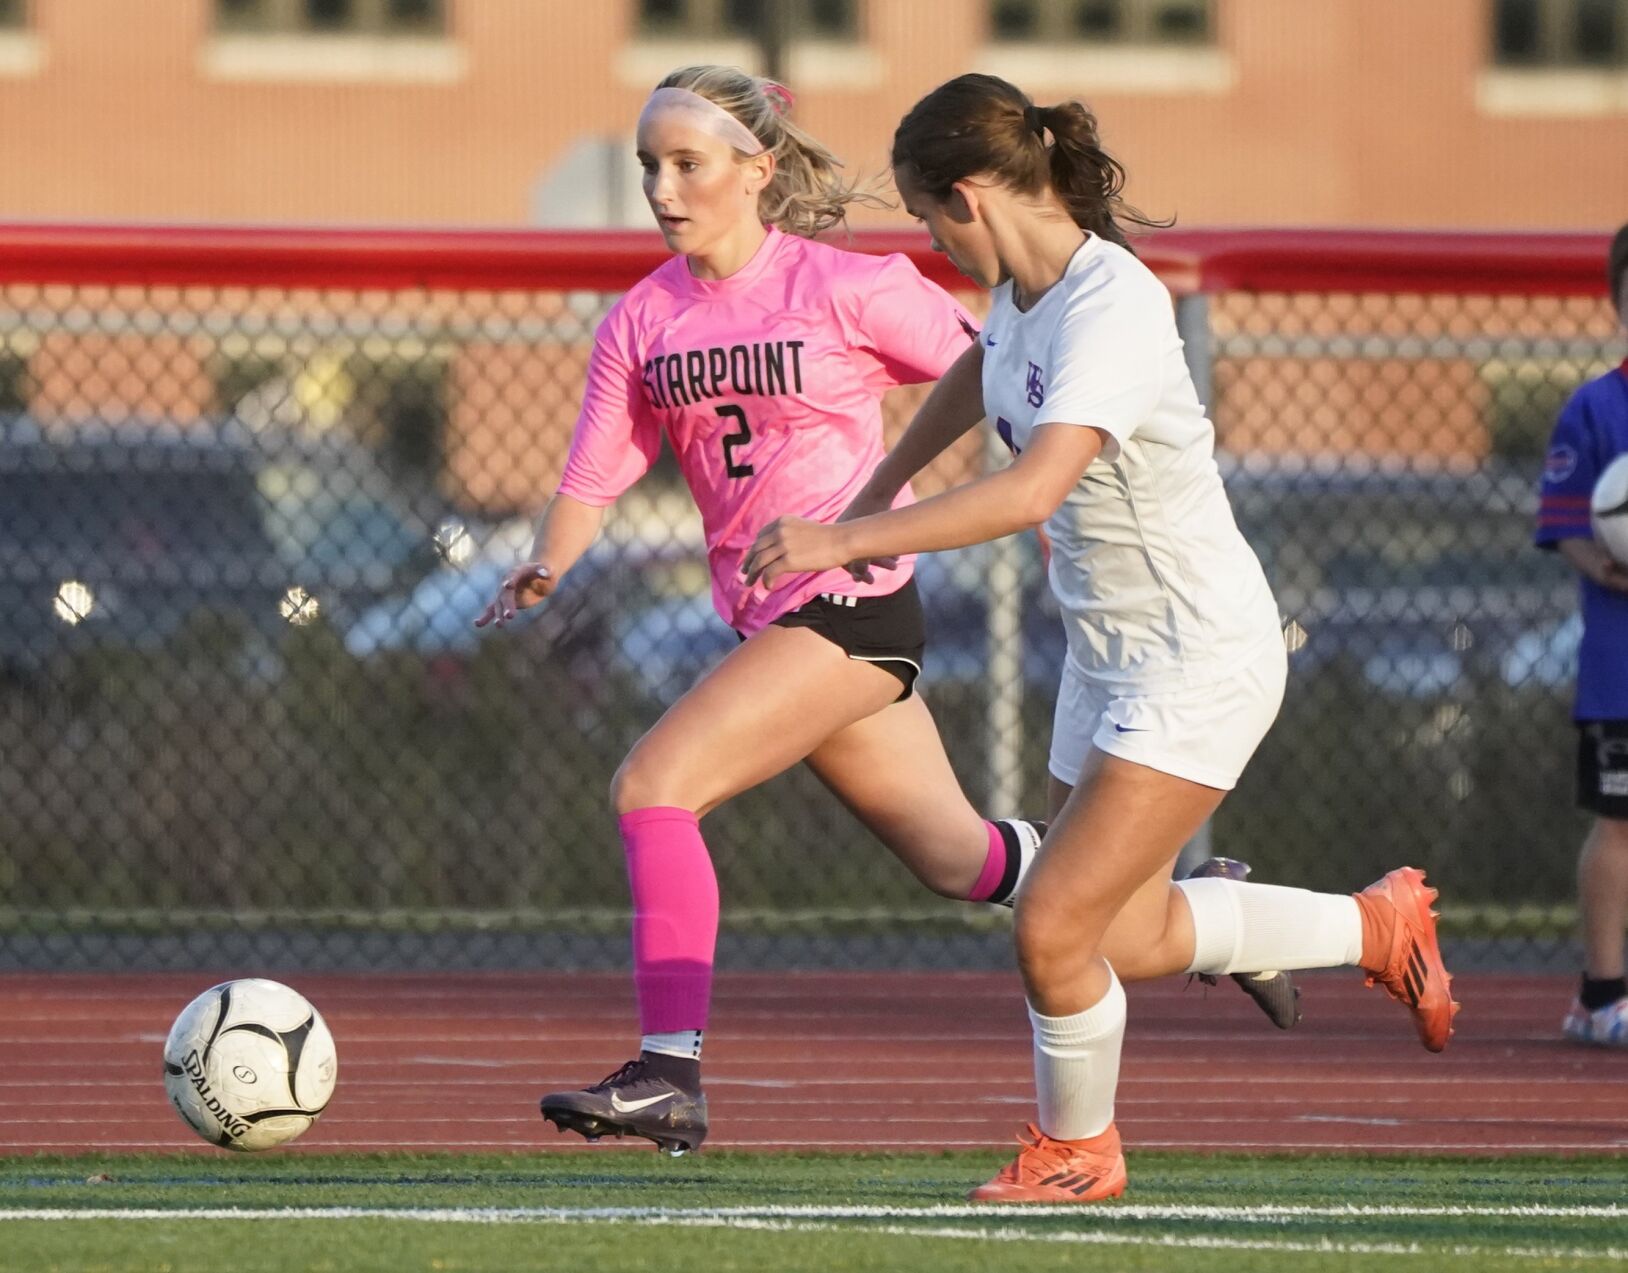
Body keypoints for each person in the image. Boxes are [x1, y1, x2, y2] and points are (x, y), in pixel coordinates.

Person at [475, 67, 1294, 1156]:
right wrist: (549, 560)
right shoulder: (642, 318)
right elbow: (597, 468)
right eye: (647, 168)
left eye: (687, 162)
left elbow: (996, 373)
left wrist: (891, 516)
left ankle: (666, 1069)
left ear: (757, 171)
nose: (663, 188)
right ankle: (1203, 906)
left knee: (653, 784)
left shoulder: (839, 285)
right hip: (770, 616)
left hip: (847, 607)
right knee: (963, 861)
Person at [743, 73, 1459, 1202]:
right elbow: (981, 367)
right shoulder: (1032, 294)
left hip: (1192, 653)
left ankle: (1077, 1152)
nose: (931, 237)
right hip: (1109, 653)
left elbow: (1032, 490)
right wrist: (873, 488)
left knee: (1051, 925)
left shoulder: (1112, 303)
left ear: (971, 195)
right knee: (1122, 936)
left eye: (931, 215)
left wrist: (846, 543)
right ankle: (1372, 925)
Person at [1535, 221, 1628, 1048]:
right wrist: (1605, 567)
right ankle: (1601, 993)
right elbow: (1564, 519)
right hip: (1620, 669)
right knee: (1620, 822)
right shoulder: (1594, 407)